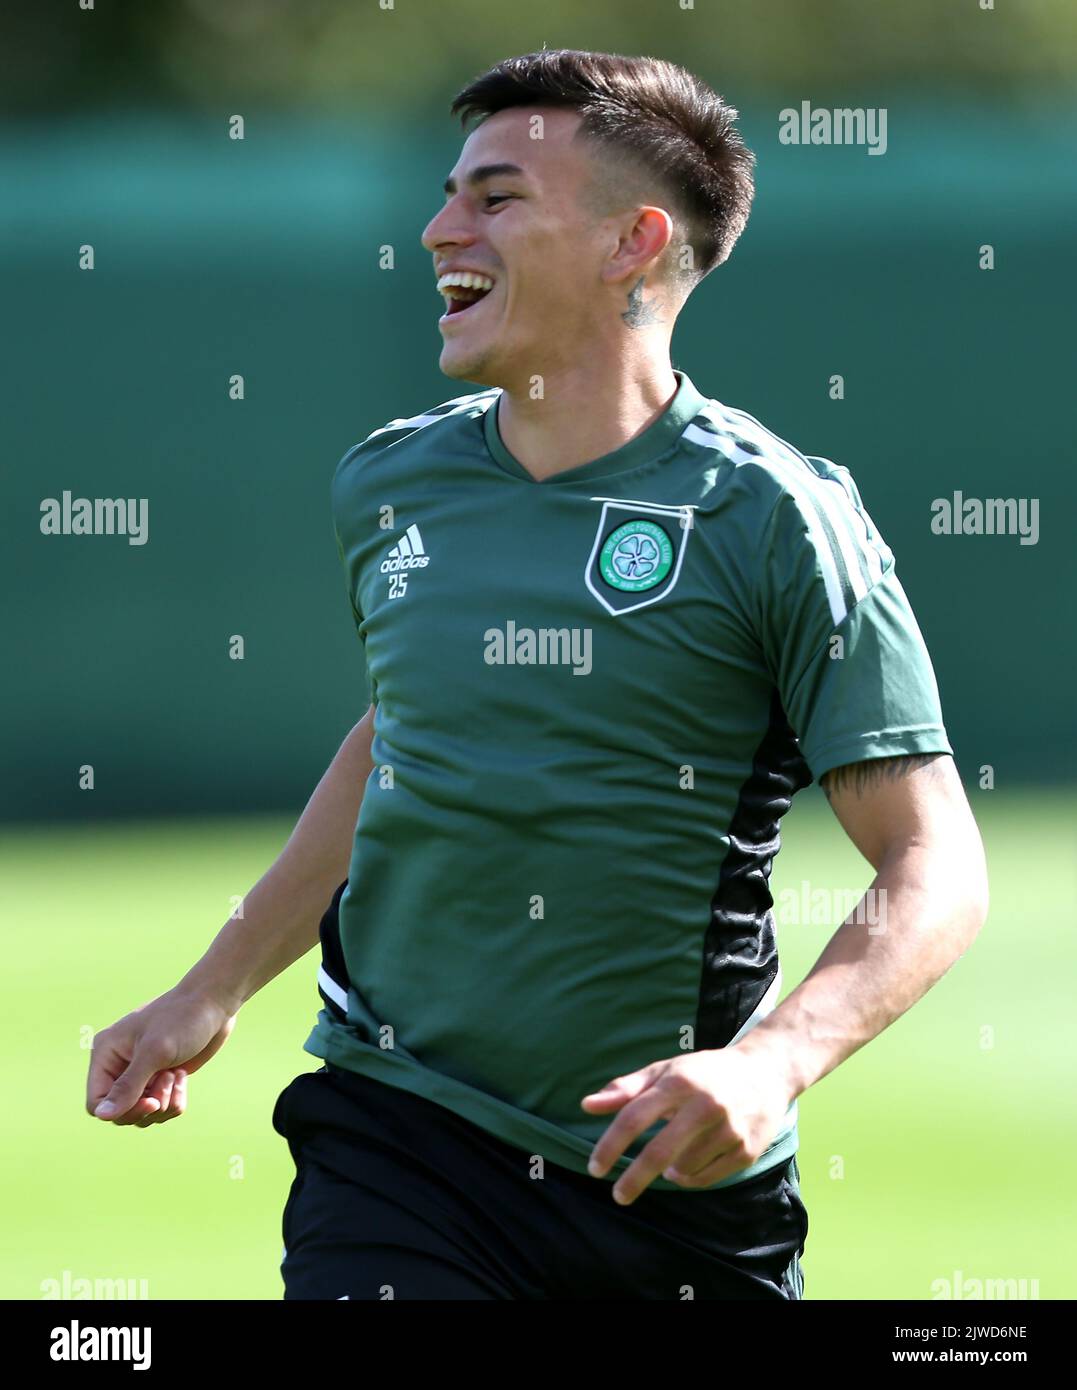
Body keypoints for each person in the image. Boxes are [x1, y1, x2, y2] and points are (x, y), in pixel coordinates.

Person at [86, 49, 988, 1301]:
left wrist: (767, 1066)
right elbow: (406, 735)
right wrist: (211, 988)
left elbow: (934, 862)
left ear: (634, 243)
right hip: (397, 1135)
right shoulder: (390, 482)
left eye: (496, 197)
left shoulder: (780, 519)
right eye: (450, 191)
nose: (438, 227)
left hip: (667, 1188)